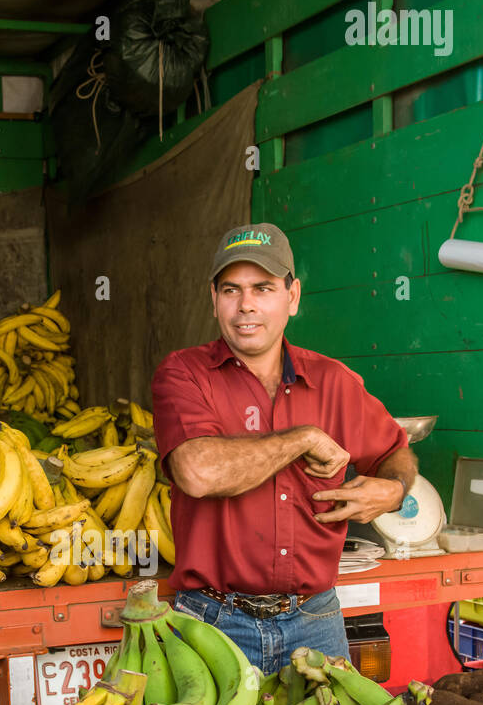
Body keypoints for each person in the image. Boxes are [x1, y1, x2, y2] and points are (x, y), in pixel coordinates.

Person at [151, 223, 417, 673]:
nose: (246, 304)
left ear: (292, 297)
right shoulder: (184, 374)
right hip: (213, 622)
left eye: (263, 288)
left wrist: (392, 490)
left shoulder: (335, 382)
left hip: (316, 620)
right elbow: (198, 472)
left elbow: (397, 450)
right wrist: (303, 438)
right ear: (213, 299)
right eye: (231, 290)